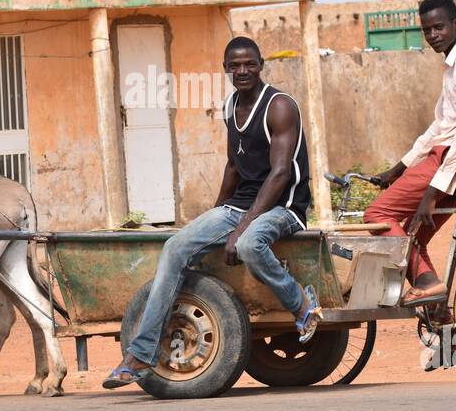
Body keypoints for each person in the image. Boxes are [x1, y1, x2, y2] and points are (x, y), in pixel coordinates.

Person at [103, 36, 321, 389]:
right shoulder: (231, 106)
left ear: (261, 64)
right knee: (175, 246)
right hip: (241, 206)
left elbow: (280, 174)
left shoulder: (280, 106)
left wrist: (241, 227)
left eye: (249, 63)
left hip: (284, 206)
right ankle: (141, 353)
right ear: (225, 69)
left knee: (249, 245)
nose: (243, 70)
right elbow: (233, 165)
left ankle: (301, 304)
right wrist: (216, 213)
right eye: (235, 65)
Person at [363, 0, 456, 364]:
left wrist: (432, 191)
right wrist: (398, 168)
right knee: (411, 242)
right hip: (451, 159)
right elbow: (441, 126)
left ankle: (427, 285)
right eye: (427, 29)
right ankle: (450, 343)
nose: (433, 35)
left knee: (377, 217)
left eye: (439, 27)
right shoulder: (453, 66)